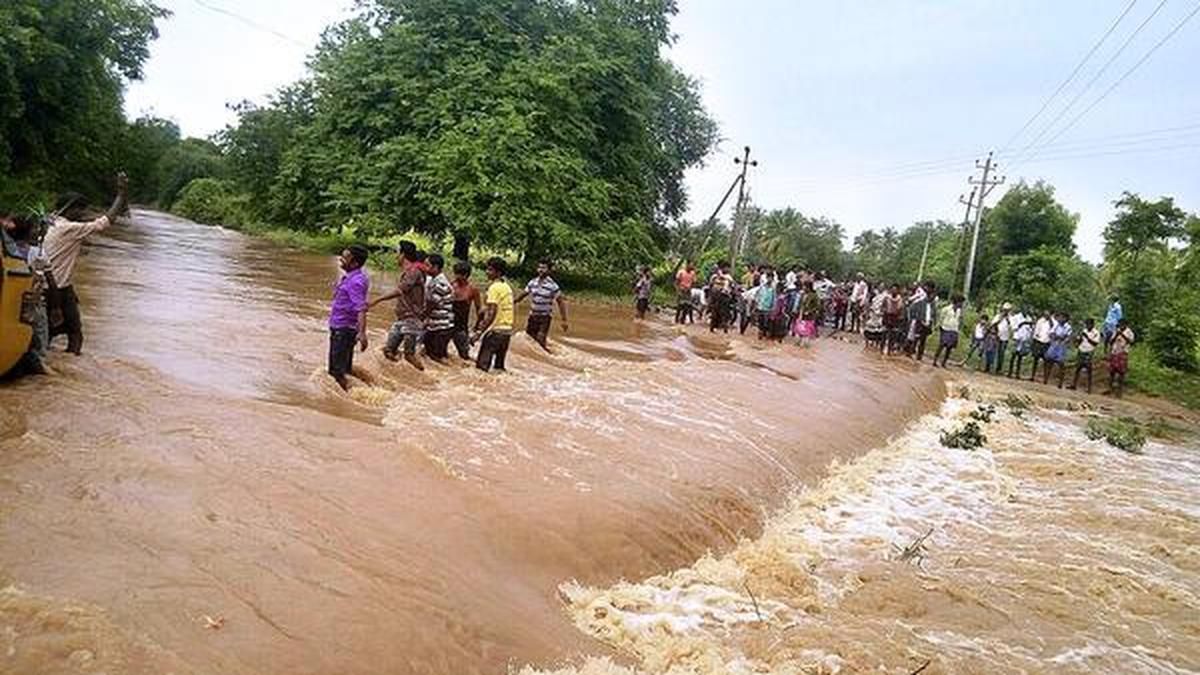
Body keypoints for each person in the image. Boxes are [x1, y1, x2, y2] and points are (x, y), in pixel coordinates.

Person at [42, 172, 129, 355]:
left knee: (50, 332)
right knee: (74, 333)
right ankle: (66, 371)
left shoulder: (50, 222)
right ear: (69, 209)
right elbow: (105, 222)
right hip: (56, 288)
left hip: (49, 286)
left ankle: (55, 369)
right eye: (80, 210)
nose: (82, 214)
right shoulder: (69, 228)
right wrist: (121, 194)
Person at [3, 213, 51, 374]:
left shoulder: (12, 250)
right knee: (38, 332)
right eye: (35, 228)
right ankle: (40, 361)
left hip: (20, 302)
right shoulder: (35, 253)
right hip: (28, 302)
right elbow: (49, 281)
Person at [371, 241, 426, 370]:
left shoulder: (413, 272)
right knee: (388, 351)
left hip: (411, 319)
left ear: (403, 255)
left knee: (409, 355)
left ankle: (426, 380)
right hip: (402, 318)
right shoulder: (408, 272)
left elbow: (400, 291)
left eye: (397, 253)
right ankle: (400, 376)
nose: (396, 257)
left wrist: (377, 300)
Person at [327, 245, 370, 390]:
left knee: (336, 373)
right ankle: (352, 395)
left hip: (343, 330)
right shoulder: (354, 277)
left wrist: (363, 333)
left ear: (354, 263)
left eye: (345, 258)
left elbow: (361, 308)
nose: (341, 259)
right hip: (344, 328)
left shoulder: (355, 281)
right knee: (344, 369)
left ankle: (347, 398)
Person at [516, 259, 568, 351]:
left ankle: (547, 357)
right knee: (528, 340)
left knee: (540, 341)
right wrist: (512, 302)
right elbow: (523, 295)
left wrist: (564, 320)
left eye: (543, 268)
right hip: (532, 316)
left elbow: (561, 302)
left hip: (544, 318)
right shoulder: (533, 282)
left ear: (549, 270)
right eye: (539, 267)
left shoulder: (553, 286)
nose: (540, 270)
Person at [473, 257, 515, 372]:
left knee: (481, 369)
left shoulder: (494, 288)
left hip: (495, 332)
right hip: (506, 333)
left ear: (498, 272)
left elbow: (492, 313)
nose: (487, 272)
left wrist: (479, 333)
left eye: (490, 270)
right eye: (487, 269)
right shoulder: (507, 287)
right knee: (499, 368)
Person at [422, 254, 456, 362]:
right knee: (430, 355)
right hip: (437, 325)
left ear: (435, 267)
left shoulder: (440, 283)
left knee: (436, 358)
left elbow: (431, 304)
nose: (424, 267)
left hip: (441, 326)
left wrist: (421, 317)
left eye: (427, 265)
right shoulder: (433, 280)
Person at [450, 261, 481, 361]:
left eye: (458, 274)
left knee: (464, 356)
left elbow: (479, 309)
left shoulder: (473, 289)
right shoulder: (451, 286)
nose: (456, 277)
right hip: (447, 324)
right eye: (455, 273)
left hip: (461, 327)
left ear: (466, 275)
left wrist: (477, 327)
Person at [1069, 318, 1101, 393]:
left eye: (1089, 324)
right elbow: (1080, 340)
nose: (1087, 326)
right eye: (1087, 324)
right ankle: (1074, 384)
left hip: (1089, 351)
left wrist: (1087, 337)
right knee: (1078, 368)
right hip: (1081, 350)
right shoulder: (1084, 331)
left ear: (1093, 325)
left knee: (1089, 370)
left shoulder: (1096, 333)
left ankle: (1089, 388)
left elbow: (1095, 343)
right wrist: (1077, 340)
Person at [1106, 319, 1135, 397]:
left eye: (1121, 324)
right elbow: (1110, 342)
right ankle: (1110, 389)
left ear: (1125, 325)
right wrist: (1116, 335)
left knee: (1121, 373)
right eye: (1119, 324)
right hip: (1114, 352)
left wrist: (1122, 334)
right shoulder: (1116, 331)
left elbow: (1131, 342)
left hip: (1123, 352)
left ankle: (1119, 391)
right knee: (1112, 372)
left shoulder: (1129, 332)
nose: (1120, 326)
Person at [1043, 312, 1072, 387]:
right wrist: (1058, 337)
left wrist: (1058, 336)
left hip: (1061, 346)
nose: (1060, 319)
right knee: (1050, 362)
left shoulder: (1068, 327)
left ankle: (1060, 383)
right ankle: (1045, 380)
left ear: (1066, 319)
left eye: (1062, 317)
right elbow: (1051, 334)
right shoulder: (1056, 325)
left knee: (1061, 364)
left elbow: (1066, 337)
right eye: (1059, 317)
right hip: (1054, 345)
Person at [933, 294, 963, 368]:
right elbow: (941, 318)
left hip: (954, 329)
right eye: (961, 302)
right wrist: (940, 327)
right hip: (945, 328)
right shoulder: (946, 309)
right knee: (941, 345)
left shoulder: (959, 311)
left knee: (949, 348)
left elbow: (958, 320)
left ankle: (944, 362)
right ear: (957, 302)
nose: (961, 304)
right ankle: (935, 360)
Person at [708, 261, 734, 332]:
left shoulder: (729, 277)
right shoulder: (714, 276)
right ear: (723, 268)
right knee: (715, 312)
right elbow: (710, 286)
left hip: (724, 296)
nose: (728, 269)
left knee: (724, 313)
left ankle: (724, 328)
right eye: (727, 268)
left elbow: (732, 286)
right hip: (716, 296)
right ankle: (712, 327)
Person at [1007, 310, 1033, 378]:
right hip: (1017, 338)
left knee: (1020, 357)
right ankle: (1010, 372)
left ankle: (1017, 373)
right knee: (1013, 355)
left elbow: (1030, 330)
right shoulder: (1016, 317)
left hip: (1024, 340)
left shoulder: (1029, 318)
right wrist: (1022, 323)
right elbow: (1014, 327)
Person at [1028, 310, 1053, 382]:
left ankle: (1045, 378)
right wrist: (1034, 340)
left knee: (1046, 360)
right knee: (1036, 359)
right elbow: (1036, 331)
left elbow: (1052, 328)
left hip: (1047, 342)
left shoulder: (1052, 322)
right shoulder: (1040, 321)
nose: (1046, 315)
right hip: (1039, 341)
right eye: (1045, 314)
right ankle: (1032, 376)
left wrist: (1050, 319)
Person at [882, 284, 905, 355]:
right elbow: (883, 306)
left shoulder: (900, 300)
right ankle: (881, 348)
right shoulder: (886, 298)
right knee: (884, 333)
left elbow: (901, 310)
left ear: (898, 291)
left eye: (895, 289)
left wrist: (900, 318)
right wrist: (884, 312)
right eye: (892, 289)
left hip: (895, 318)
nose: (893, 291)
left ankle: (889, 349)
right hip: (887, 316)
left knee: (892, 335)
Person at [990, 303, 1013, 374]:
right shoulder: (998, 316)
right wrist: (1000, 319)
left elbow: (1012, 327)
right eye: (1005, 310)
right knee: (994, 352)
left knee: (1001, 353)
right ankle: (991, 367)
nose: (1006, 311)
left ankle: (998, 369)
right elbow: (992, 324)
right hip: (997, 336)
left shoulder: (1011, 318)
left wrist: (1008, 320)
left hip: (1005, 338)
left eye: (1007, 310)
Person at [755, 273, 776, 339]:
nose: (769, 279)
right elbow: (758, 296)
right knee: (760, 321)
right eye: (768, 277)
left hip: (768, 308)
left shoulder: (773, 289)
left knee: (767, 322)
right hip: (760, 307)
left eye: (771, 278)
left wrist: (773, 308)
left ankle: (766, 333)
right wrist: (756, 304)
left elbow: (774, 299)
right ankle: (760, 333)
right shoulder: (762, 287)